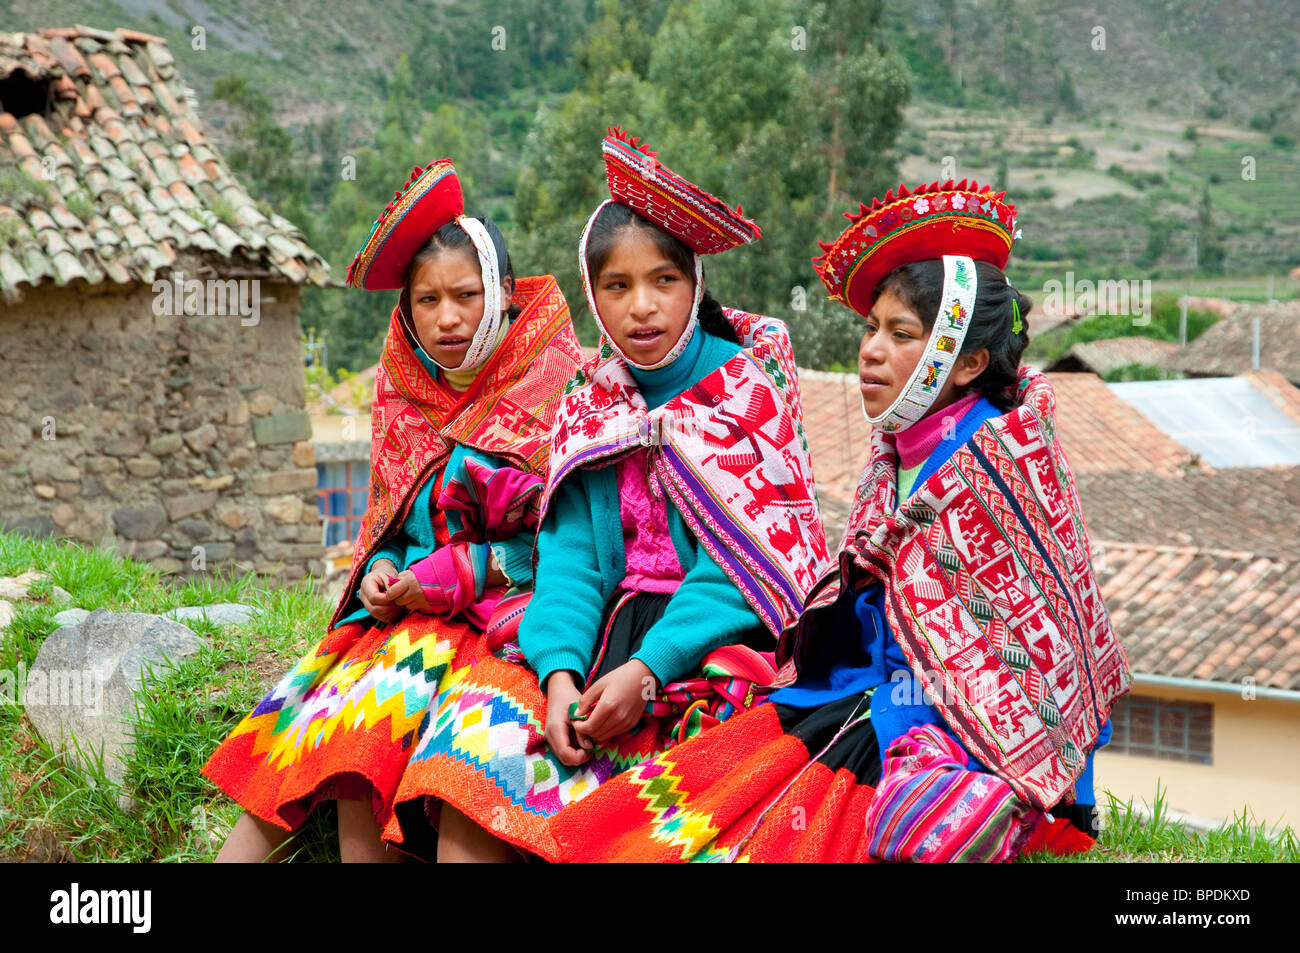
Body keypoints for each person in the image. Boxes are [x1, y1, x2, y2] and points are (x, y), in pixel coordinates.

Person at [548, 179, 1131, 862]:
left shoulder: (998, 468)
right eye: (871, 328)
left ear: (969, 362)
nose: (871, 350)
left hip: (940, 730)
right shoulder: (897, 457)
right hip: (864, 697)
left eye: (901, 333)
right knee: (656, 823)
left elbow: (1033, 667)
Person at [385, 128, 830, 862]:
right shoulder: (592, 402)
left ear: (695, 285)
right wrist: (561, 674)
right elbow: (569, 560)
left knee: (671, 810)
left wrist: (647, 670)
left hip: (714, 644)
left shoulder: (749, 393)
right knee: (471, 758)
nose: (641, 308)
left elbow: (749, 571)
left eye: (663, 281)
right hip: (600, 643)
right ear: (594, 293)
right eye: (617, 286)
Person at [202, 159, 582, 862]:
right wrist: (381, 569)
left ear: (502, 291)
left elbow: (570, 543)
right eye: (426, 300)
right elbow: (394, 522)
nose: (446, 317)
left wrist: (453, 574)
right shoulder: (408, 390)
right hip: (420, 611)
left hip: (516, 614)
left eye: (466, 295)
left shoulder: (556, 389)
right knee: (352, 718)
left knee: (450, 748)